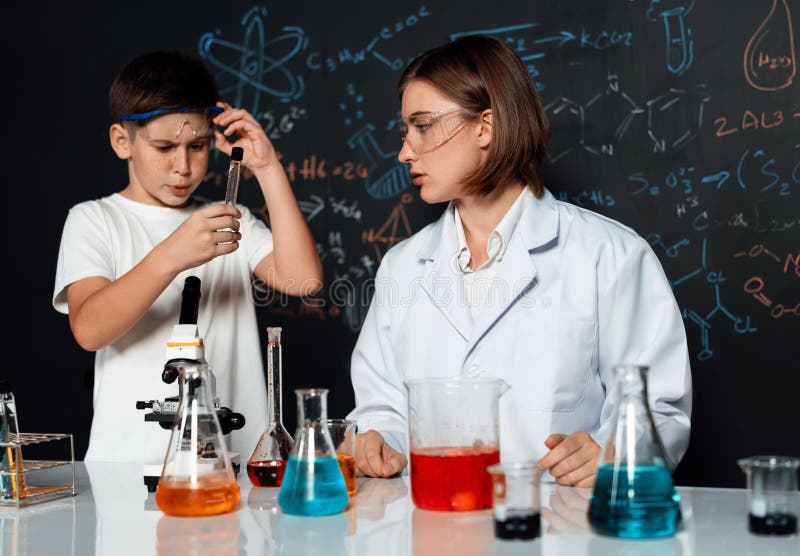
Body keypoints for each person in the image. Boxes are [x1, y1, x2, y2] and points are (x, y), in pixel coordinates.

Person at [347, 35, 692, 486]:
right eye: (405, 132)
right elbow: (382, 408)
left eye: (423, 126)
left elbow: (660, 410)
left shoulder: (610, 255)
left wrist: (613, 452)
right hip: (432, 524)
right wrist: (376, 442)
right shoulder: (403, 266)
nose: (405, 152)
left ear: (484, 127)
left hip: (558, 530)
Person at [52, 51, 322, 463]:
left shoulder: (230, 220)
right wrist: (172, 254)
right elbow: (89, 329)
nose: (183, 166)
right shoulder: (94, 219)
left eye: (196, 146)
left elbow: (303, 280)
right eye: (164, 147)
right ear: (121, 141)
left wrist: (267, 168)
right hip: (128, 468)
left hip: (235, 463)